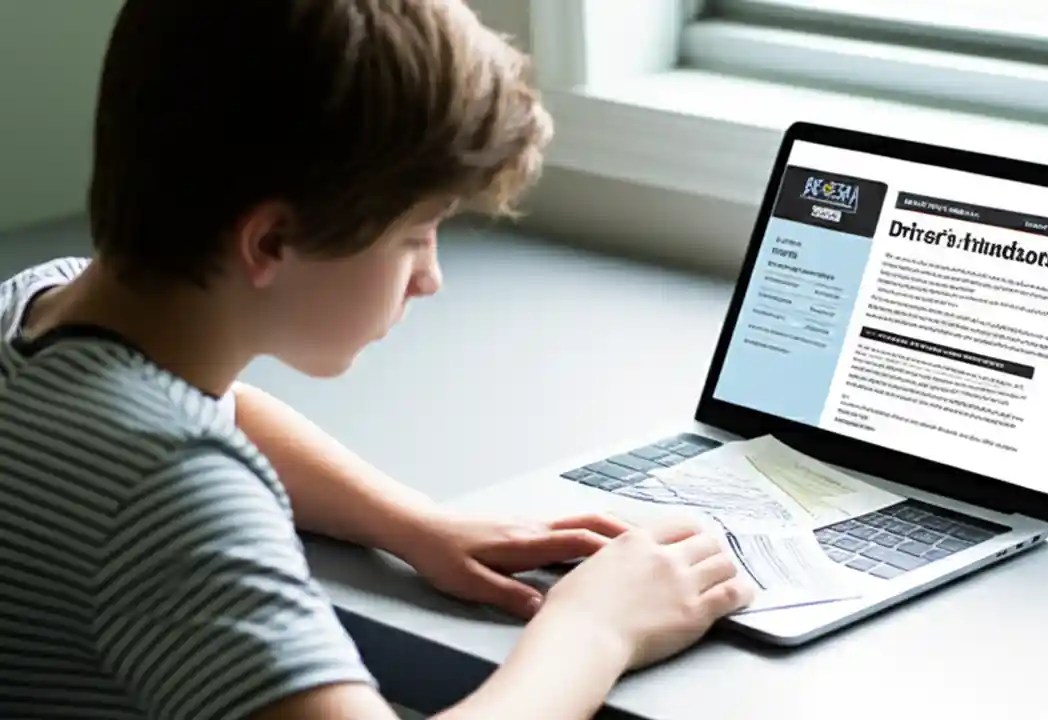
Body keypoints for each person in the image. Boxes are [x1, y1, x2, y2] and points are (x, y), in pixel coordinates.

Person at [0, 1, 754, 718]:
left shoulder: (41, 303)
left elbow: (212, 411)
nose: (430, 278)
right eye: (415, 236)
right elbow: (175, 466)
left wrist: (412, 525)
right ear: (269, 244)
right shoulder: (171, 504)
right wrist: (595, 629)